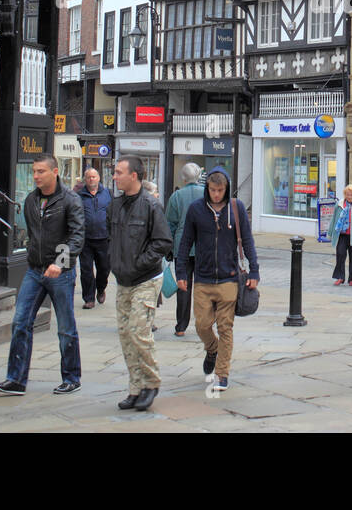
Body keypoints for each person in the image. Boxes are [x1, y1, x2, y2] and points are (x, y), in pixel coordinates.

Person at [0, 154, 84, 396]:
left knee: (65, 326)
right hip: (34, 270)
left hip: (60, 273)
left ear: (54, 172)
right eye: (33, 172)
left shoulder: (70, 200)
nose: (35, 176)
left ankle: (72, 378)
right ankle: (16, 379)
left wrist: (60, 263)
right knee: (20, 322)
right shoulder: (32, 200)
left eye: (41, 171)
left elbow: (76, 236)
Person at [176, 167, 259, 393]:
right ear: (207, 188)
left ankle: (222, 374)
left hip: (229, 278)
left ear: (226, 189)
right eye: (212, 190)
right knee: (202, 325)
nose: (216, 194)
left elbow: (248, 241)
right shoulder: (196, 210)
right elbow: (185, 242)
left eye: (220, 190)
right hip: (203, 279)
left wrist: (254, 271)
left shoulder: (236, 208)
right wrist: (181, 272)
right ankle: (212, 349)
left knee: (225, 328)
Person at [105, 155, 173, 412]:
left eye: (119, 172)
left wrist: (139, 263)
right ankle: (135, 387)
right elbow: (110, 237)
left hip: (145, 279)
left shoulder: (150, 205)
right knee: (125, 335)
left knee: (139, 332)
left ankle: (150, 384)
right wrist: (114, 262)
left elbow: (163, 242)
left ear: (134, 175)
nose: (115, 176)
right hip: (123, 280)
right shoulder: (115, 205)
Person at [166, 162, 206, 337]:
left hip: (182, 247)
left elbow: (170, 224)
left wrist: (169, 246)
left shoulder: (176, 196)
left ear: (183, 178)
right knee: (203, 286)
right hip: (203, 246)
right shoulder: (205, 193)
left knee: (183, 285)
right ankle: (203, 323)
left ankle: (181, 326)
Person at [77, 168, 111, 309]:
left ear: (99, 178)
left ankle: (101, 288)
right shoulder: (79, 196)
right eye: (89, 177)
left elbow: (113, 212)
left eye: (94, 176)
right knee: (86, 270)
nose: (92, 179)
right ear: (85, 179)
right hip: (86, 239)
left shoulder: (108, 193)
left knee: (104, 268)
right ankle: (89, 298)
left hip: (104, 238)